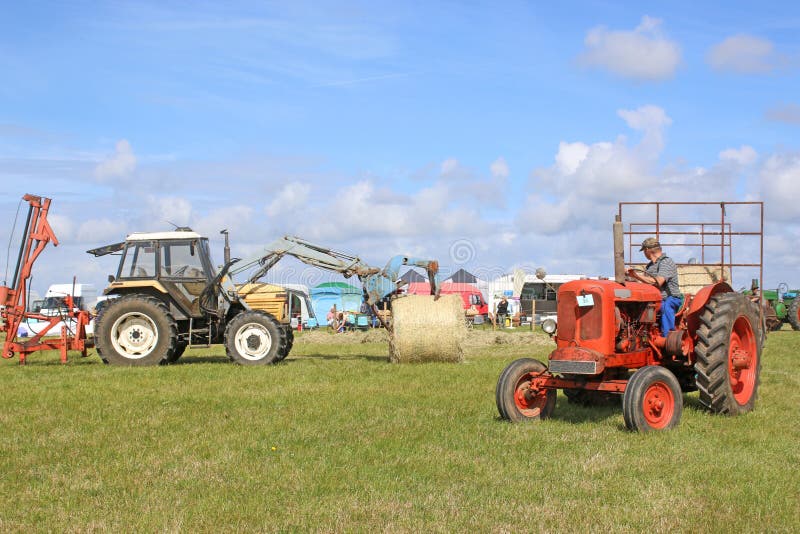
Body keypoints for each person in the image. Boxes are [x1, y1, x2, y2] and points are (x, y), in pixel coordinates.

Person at [627, 237, 682, 337]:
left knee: (665, 307)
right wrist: (631, 278)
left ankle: (668, 337)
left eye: (644, 251)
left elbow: (658, 282)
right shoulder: (649, 266)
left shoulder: (666, 262)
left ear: (647, 250)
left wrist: (636, 275)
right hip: (655, 299)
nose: (644, 253)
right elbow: (646, 285)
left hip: (670, 298)